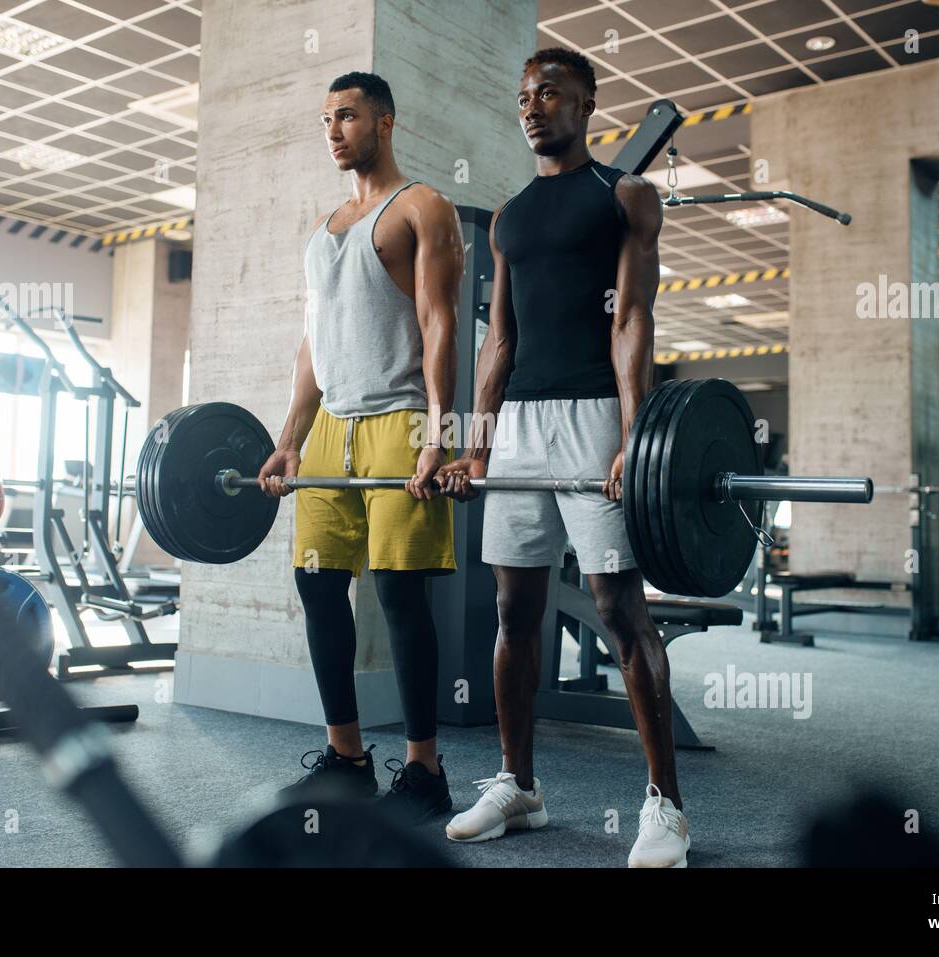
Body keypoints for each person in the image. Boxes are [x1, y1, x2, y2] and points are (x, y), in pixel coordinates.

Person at [435, 48, 688, 867]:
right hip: (519, 427)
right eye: (523, 96)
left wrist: (632, 435)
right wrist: (476, 446)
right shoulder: (509, 215)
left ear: (586, 103)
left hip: (591, 418)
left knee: (620, 607)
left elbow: (631, 322)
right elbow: (498, 339)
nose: (532, 107)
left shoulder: (625, 196)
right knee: (514, 611)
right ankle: (519, 784)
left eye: (550, 93)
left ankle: (665, 807)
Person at [258, 71, 464, 824]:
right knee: (319, 588)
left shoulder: (421, 207)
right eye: (326, 120)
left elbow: (440, 321)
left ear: (386, 121)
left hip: (399, 420)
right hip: (331, 431)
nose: (334, 131)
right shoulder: (324, 229)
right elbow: (314, 344)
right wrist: (289, 440)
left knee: (401, 594)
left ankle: (424, 768)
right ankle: (345, 758)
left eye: (347, 116)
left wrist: (440, 434)